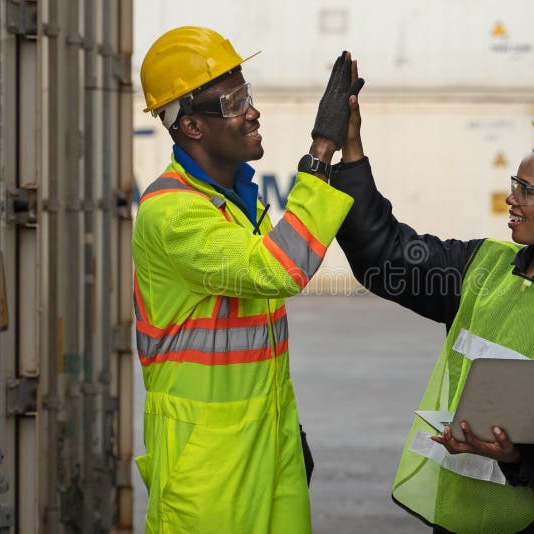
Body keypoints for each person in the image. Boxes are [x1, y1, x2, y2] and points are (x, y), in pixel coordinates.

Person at [329, 87, 534, 532]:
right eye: (514, 184)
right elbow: (384, 257)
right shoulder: (480, 266)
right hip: (458, 520)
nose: (511, 198)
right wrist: (352, 151)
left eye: (526, 189)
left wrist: (518, 456)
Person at [132, 27, 362, 533]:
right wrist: (322, 150)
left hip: (269, 441)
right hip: (208, 464)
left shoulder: (233, 201)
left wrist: (285, 427)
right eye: (234, 103)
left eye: (247, 95)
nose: (252, 111)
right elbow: (278, 268)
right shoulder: (173, 213)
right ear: (191, 126)